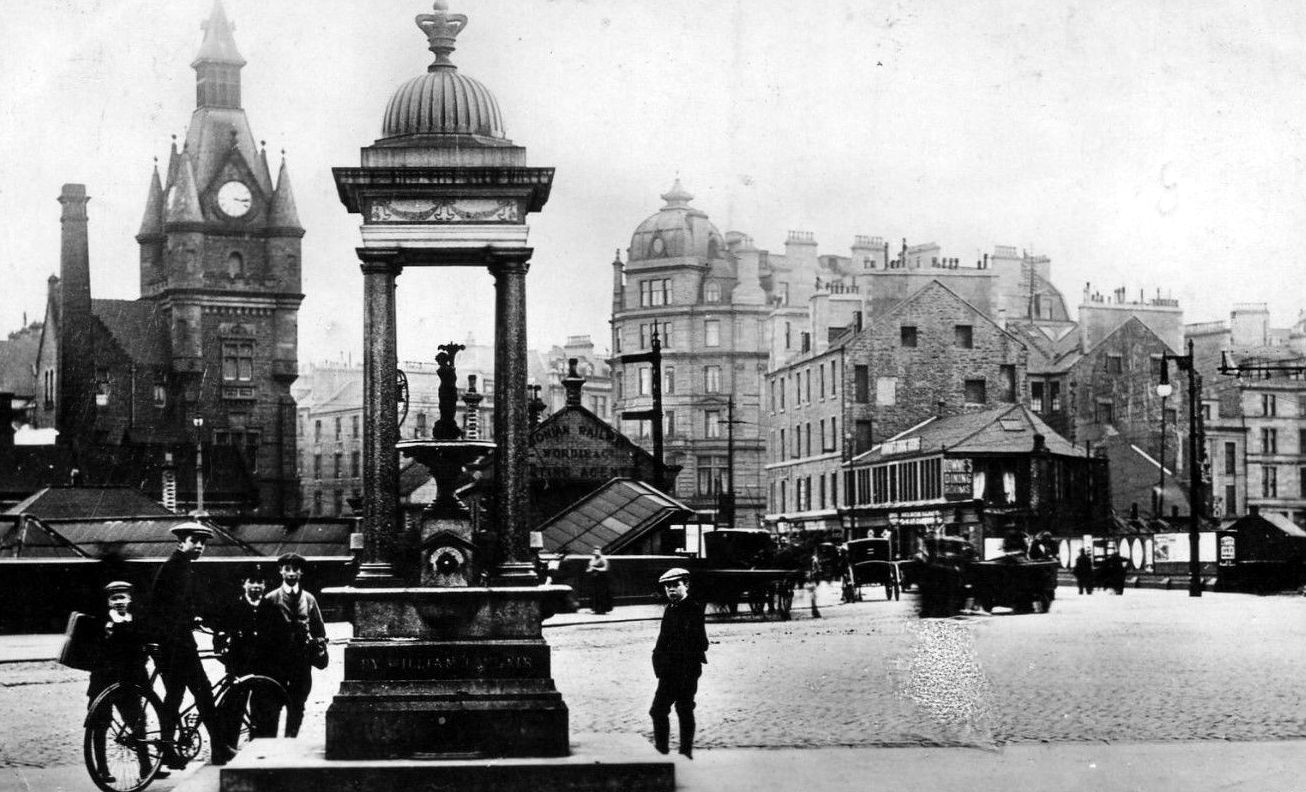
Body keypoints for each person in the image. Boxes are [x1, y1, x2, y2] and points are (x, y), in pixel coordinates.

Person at [150, 522, 233, 767]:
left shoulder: (181, 566)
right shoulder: (175, 568)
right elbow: (168, 608)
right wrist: (192, 620)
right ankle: (218, 748)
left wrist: (202, 620)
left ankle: (171, 748)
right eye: (194, 541)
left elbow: (190, 605)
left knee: (177, 695)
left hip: (175, 642)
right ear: (181, 542)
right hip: (175, 644)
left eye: (203, 542)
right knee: (203, 693)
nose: (199, 546)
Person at [87, 581, 167, 782]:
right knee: (101, 723)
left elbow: (145, 643)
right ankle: (102, 769)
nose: (119, 602)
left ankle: (146, 768)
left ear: (130, 599)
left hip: (131, 681)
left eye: (122, 597)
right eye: (114, 598)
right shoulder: (102, 622)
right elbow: (96, 650)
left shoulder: (136, 620)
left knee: (137, 722)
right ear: (108, 601)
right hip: (105, 681)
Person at [260, 552, 327, 738]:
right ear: (280, 571)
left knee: (297, 704)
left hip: (301, 662)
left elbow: (319, 630)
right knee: (274, 703)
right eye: (287, 569)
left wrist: (317, 645)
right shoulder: (271, 598)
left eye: (295, 569)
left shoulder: (309, 599)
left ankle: (291, 740)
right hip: (277, 663)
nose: (291, 573)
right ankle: (272, 744)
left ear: (301, 572)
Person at [649, 568, 708, 759]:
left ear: (686, 585)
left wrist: (678, 656)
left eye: (676, 585)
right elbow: (663, 638)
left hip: (686, 670)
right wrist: (657, 659)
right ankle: (662, 753)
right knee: (658, 711)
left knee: (683, 709)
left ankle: (685, 752)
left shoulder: (693, 608)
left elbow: (702, 643)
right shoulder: (670, 608)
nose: (671, 589)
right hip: (669, 670)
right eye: (667, 586)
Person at [214, 566, 275, 739]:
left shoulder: (270, 608)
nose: (256, 586)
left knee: (262, 708)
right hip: (239, 667)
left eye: (260, 582)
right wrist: (227, 659)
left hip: (263, 668)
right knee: (234, 708)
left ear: (265, 585)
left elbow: (278, 637)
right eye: (251, 582)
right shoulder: (233, 607)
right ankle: (229, 746)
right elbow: (219, 637)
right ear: (244, 584)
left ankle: (259, 746)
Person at [586, 547, 611, 614]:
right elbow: (588, 569)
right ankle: (595, 609)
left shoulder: (603, 559)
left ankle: (602, 609)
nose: (596, 553)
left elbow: (606, 568)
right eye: (595, 552)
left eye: (597, 552)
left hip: (602, 579)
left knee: (601, 594)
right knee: (594, 594)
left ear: (600, 552)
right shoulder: (592, 560)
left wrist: (596, 569)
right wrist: (589, 570)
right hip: (594, 579)